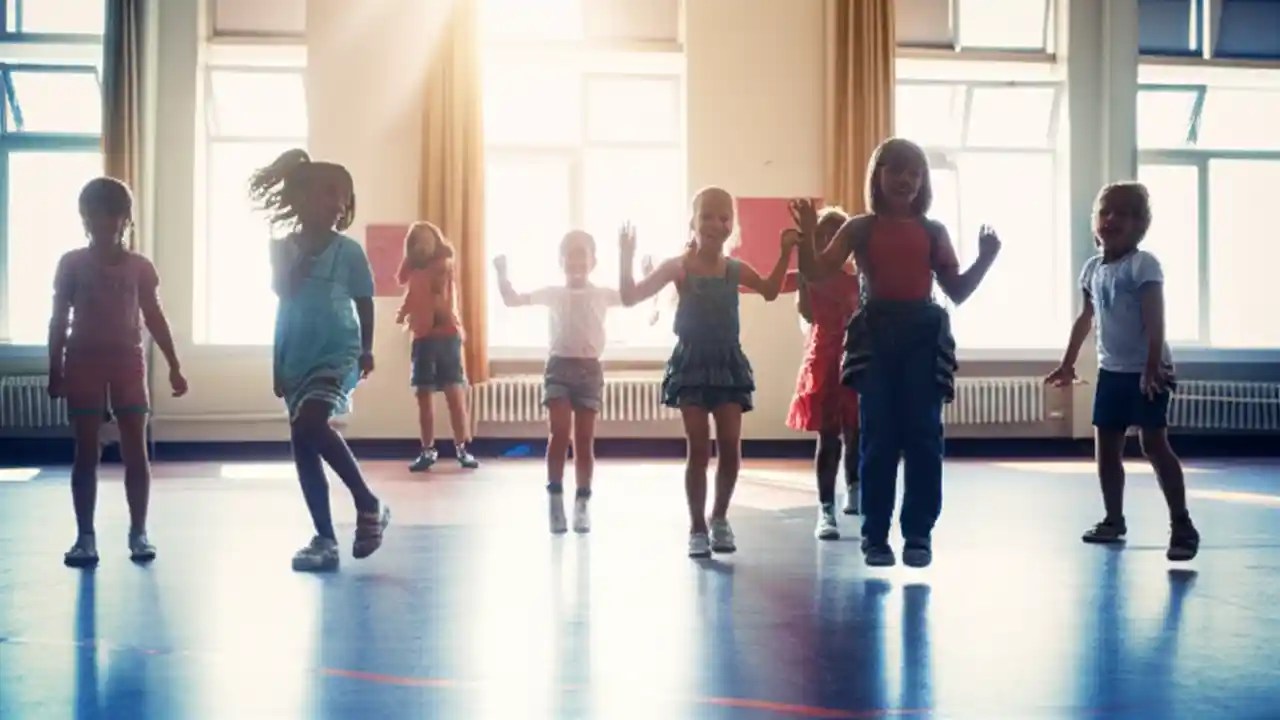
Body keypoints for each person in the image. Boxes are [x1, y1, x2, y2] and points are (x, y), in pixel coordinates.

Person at [795, 138, 1000, 568]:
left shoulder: (933, 231)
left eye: (914, 172)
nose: (905, 179)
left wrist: (985, 260)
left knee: (925, 437)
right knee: (878, 438)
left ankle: (919, 533)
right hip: (876, 335)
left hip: (923, 337)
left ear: (923, 181)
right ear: (878, 175)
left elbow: (957, 290)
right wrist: (809, 235)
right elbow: (818, 272)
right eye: (896, 170)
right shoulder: (860, 227)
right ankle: (875, 536)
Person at [620, 187, 797, 558]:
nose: (717, 224)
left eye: (724, 217)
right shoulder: (679, 267)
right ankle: (697, 526)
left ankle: (719, 518)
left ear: (732, 225)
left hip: (727, 364)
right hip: (692, 364)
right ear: (693, 222)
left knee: (730, 446)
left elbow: (768, 289)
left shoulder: (734, 269)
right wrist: (626, 257)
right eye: (708, 216)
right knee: (698, 447)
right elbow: (630, 296)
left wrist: (785, 254)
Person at [1046, 181, 1199, 562]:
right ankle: (1113, 519)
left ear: (1141, 224)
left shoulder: (1143, 265)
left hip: (1147, 370)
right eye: (1105, 212)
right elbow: (1086, 318)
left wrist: (1152, 365)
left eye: (1124, 214)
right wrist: (1067, 362)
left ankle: (1181, 524)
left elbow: (1155, 317)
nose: (1111, 219)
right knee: (1107, 448)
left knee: (1153, 444)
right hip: (1111, 371)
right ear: (1095, 220)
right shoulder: (1092, 268)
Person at [252, 148, 389, 572]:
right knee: (302, 444)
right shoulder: (281, 248)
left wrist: (366, 348)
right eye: (326, 193)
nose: (336, 204)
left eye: (342, 197)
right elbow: (283, 293)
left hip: (337, 349)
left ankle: (368, 504)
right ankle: (324, 538)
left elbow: (365, 301)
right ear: (301, 199)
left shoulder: (348, 251)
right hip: (294, 350)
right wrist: (278, 365)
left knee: (313, 422)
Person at [49, 177, 188, 567]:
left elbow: (155, 318)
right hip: (83, 362)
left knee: (135, 451)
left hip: (127, 363)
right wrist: (54, 368)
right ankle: (85, 537)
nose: (104, 221)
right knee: (86, 451)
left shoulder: (139, 268)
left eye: (112, 213)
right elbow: (59, 319)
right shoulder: (72, 264)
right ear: (85, 217)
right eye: (95, 213)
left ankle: (138, 532)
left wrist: (175, 366)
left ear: (125, 218)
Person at [493, 230, 622, 533]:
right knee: (560, 432)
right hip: (559, 368)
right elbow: (513, 300)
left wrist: (640, 268)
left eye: (582, 255)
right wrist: (501, 274)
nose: (576, 262)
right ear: (561, 261)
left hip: (590, 370)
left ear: (593, 261)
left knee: (584, 439)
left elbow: (633, 296)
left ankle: (582, 502)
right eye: (570, 255)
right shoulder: (554, 293)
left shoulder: (601, 294)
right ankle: (554, 497)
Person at [784, 206, 862, 540]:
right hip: (825, 360)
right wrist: (804, 252)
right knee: (828, 436)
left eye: (837, 236)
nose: (831, 242)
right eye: (824, 236)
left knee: (856, 431)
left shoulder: (858, 279)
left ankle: (856, 489)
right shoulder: (812, 277)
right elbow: (806, 310)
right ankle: (825, 508)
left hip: (857, 358)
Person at [396, 221, 480, 472]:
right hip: (422, 338)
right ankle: (427, 449)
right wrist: (403, 312)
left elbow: (437, 294)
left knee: (455, 393)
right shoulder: (413, 269)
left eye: (427, 239)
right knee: (423, 395)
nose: (423, 245)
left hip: (446, 336)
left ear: (436, 241)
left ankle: (462, 448)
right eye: (417, 241)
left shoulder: (442, 265)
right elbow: (412, 293)